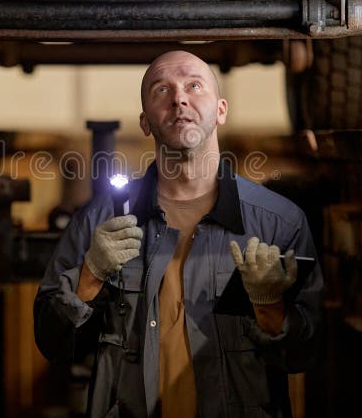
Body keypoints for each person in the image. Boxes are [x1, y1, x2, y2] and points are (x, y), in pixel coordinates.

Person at [34, 50, 323, 418]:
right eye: (161, 90)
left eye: (194, 86)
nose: (179, 98)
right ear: (145, 122)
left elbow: (305, 355)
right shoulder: (99, 221)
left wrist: (269, 307)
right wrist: (90, 275)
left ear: (221, 110)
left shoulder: (278, 223)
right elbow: (53, 345)